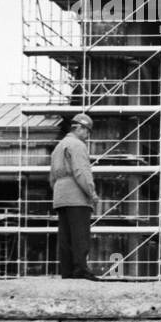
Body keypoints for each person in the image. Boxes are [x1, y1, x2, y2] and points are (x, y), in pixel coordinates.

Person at [51, 113, 99, 280]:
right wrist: (91, 192)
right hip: (76, 195)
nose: (88, 135)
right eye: (87, 131)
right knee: (80, 234)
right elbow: (81, 171)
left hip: (61, 195)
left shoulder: (59, 146)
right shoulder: (77, 145)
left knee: (66, 236)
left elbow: (51, 177)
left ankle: (67, 271)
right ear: (79, 128)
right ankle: (80, 269)